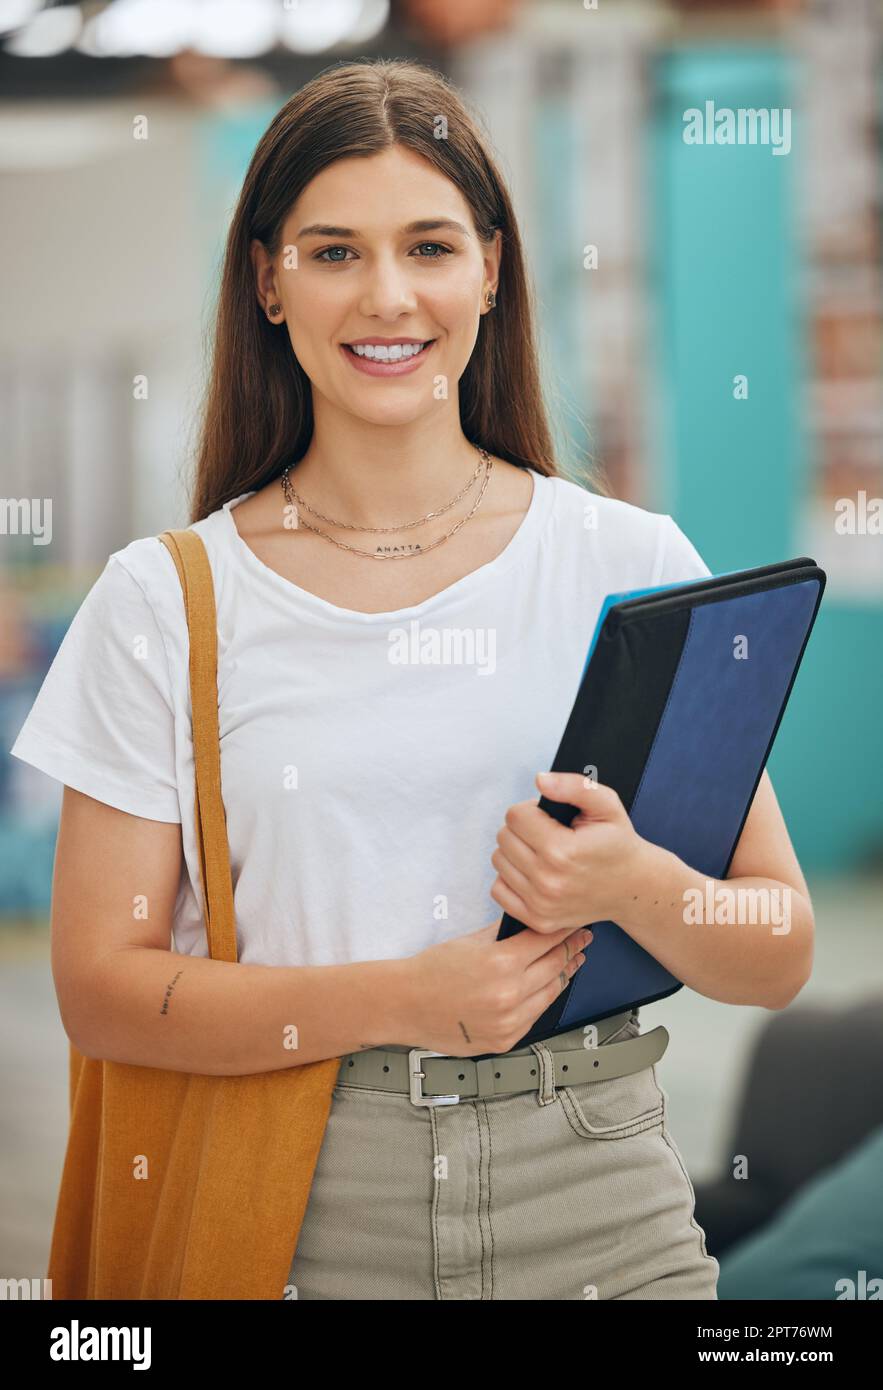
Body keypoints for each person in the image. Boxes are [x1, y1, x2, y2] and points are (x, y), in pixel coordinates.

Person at [10, 58, 815, 1301]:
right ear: (268, 280)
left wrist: (639, 883)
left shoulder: (630, 560)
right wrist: (409, 998)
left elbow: (776, 946)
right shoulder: (161, 602)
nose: (387, 296)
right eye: (332, 252)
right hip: (306, 1199)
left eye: (429, 245)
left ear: (490, 266)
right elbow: (102, 991)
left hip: (602, 1193)